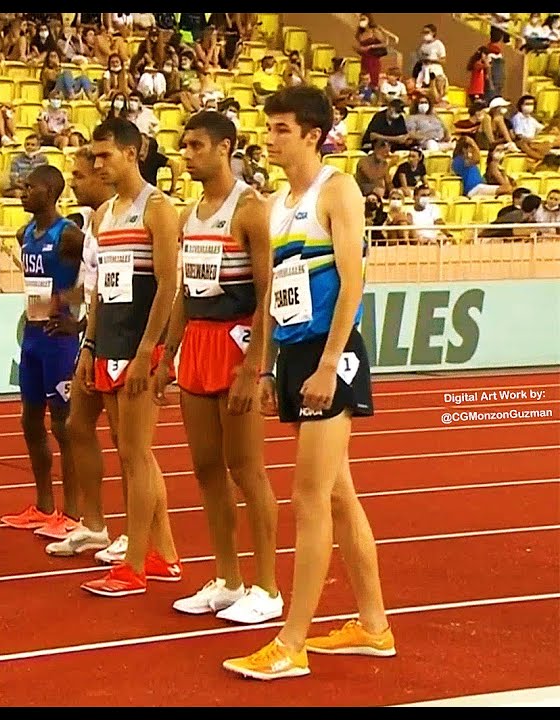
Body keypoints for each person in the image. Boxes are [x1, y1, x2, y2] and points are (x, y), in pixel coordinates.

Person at [223, 85, 391, 680]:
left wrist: (328, 363)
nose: (269, 138)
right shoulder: (273, 205)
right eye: (268, 128)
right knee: (339, 495)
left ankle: (291, 644)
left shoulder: (336, 189)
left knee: (310, 497)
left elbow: (352, 281)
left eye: (281, 129)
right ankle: (373, 627)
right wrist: (269, 368)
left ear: (313, 134)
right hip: (294, 355)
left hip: (330, 354)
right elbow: (275, 295)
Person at [154, 110, 282, 624]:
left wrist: (256, 363)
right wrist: (168, 353)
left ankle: (268, 587)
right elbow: (185, 292)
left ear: (226, 147)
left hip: (237, 343)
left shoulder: (250, 210)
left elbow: (269, 289)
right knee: (207, 469)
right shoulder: (189, 215)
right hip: (197, 347)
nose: (187, 155)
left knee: (247, 470)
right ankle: (228, 579)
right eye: (184, 146)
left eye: (196, 146)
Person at [45, 118, 181, 598]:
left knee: (136, 454)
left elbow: (170, 283)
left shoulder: (159, 209)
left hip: (142, 346)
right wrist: (89, 344)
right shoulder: (105, 216)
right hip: (108, 345)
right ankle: (162, 554)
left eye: (105, 156)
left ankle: (136, 564)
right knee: (125, 450)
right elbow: (102, 288)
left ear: (133, 152)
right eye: (94, 157)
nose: (98, 165)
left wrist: (150, 349)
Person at [0, 165, 87, 533]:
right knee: (30, 421)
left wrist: (78, 319)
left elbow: (98, 276)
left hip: (58, 340)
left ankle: (73, 512)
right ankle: (44, 505)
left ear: (50, 192)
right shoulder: (24, 234)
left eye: (29, 187)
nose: (22, 192)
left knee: (64, 426)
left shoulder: (68, 235)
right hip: (32, 337)